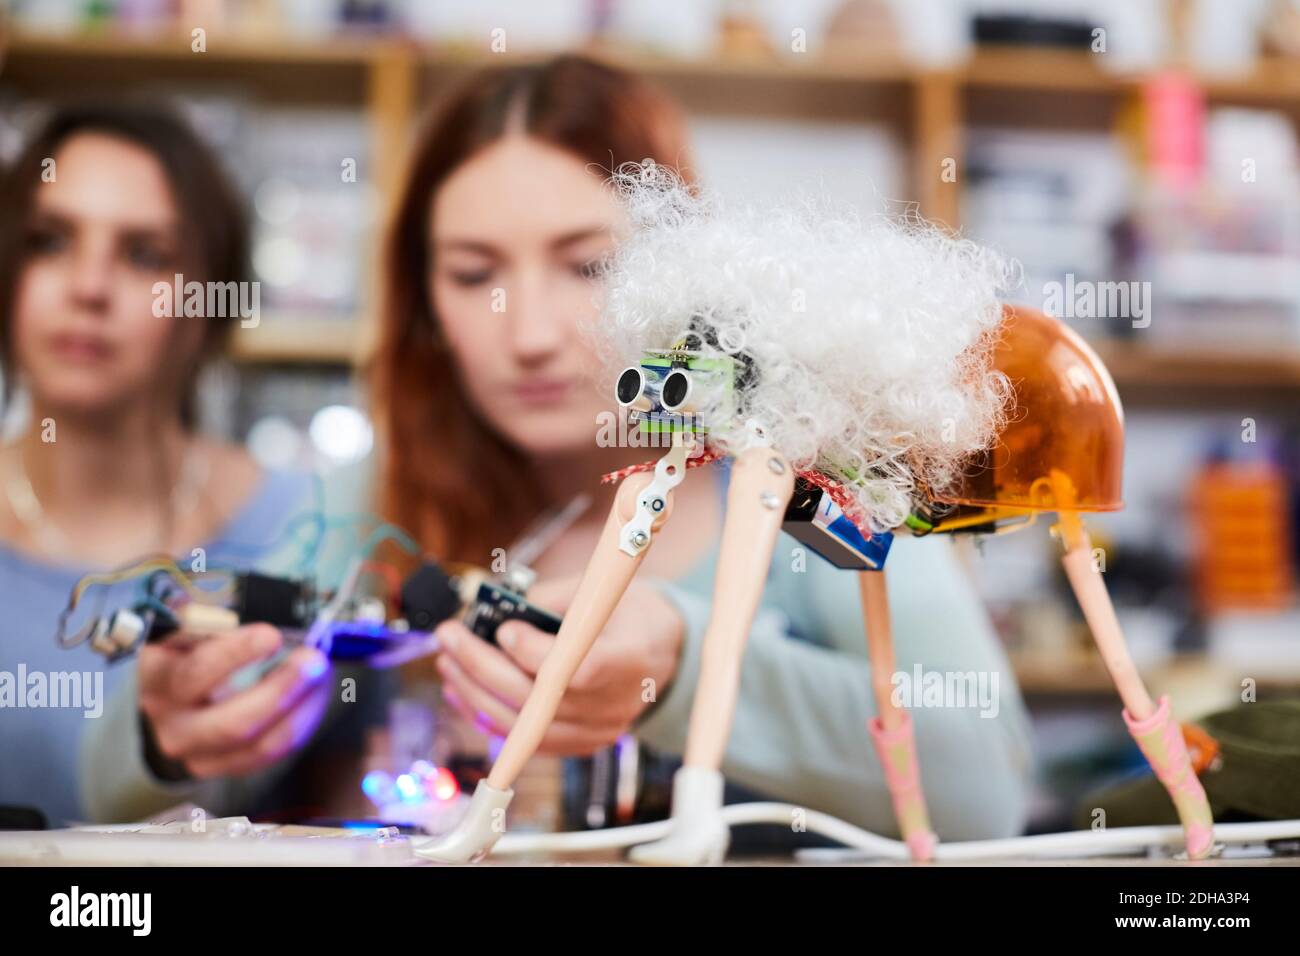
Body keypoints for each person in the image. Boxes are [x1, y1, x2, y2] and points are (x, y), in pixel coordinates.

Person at [89, 57, 1035, 842]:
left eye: (587, 265)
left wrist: (685, 663)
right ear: (424, 305)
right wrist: (166, 737)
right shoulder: (371, 496)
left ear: (682, 274)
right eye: (473, 274)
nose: (528, 330)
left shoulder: (805, 489)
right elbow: (107, 802)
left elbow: (988, 792)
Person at [0, 102, 323, 827]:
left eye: (144, 254)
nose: (88, 287)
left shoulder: (307, 526)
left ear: (209, 297)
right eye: (49, 241)